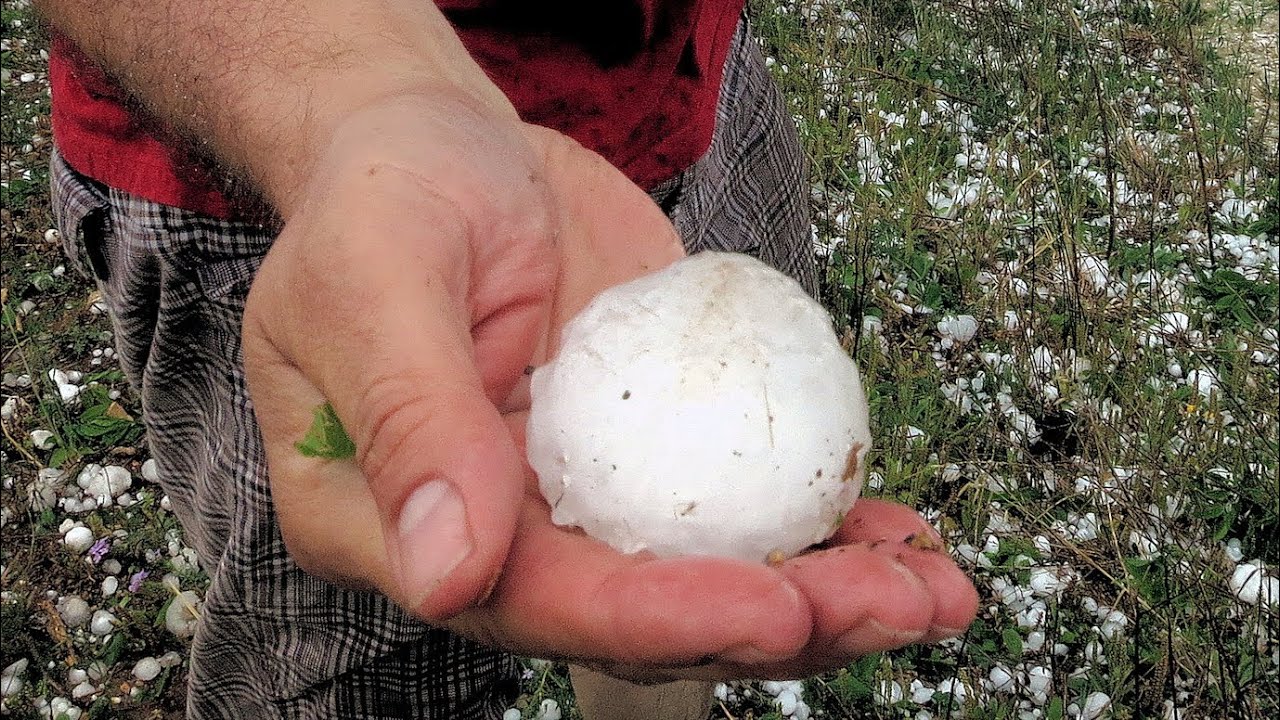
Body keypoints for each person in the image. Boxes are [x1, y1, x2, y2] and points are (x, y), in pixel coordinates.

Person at [37, 0, 980, 717]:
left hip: (685, 76)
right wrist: (376, 93)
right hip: (287, 146)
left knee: (688, 618)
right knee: (359, 659)